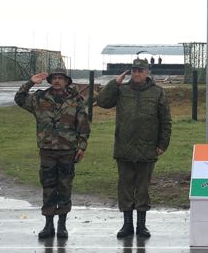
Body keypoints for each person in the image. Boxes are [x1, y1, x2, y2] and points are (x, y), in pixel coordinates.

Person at [95, 57, 171, 239]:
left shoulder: (157, 92)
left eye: (140, 71)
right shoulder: (122, 90)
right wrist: (114, 83)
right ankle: (127, 224)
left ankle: (141, 226)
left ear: (147, 73)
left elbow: (166, 121)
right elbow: (103, 102)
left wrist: (162, 144)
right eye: (134, 71)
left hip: (148, 147)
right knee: (125, 187)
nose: (136, 73)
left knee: (143, 188)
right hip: (125, 147)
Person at [15, 69, 90, 240]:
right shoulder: (39, 98)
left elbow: (83, 125)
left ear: (66, 81)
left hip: (67, 149)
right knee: (48, 187)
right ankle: (48, 224)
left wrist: (82, 147)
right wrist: (30, 82)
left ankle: (62, 225)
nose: (57, 81)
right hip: (47, 149)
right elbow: (19, 99)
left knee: (65, 186)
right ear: (50, 81)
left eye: (60, 78)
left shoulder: (75, 100)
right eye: (54, 78)